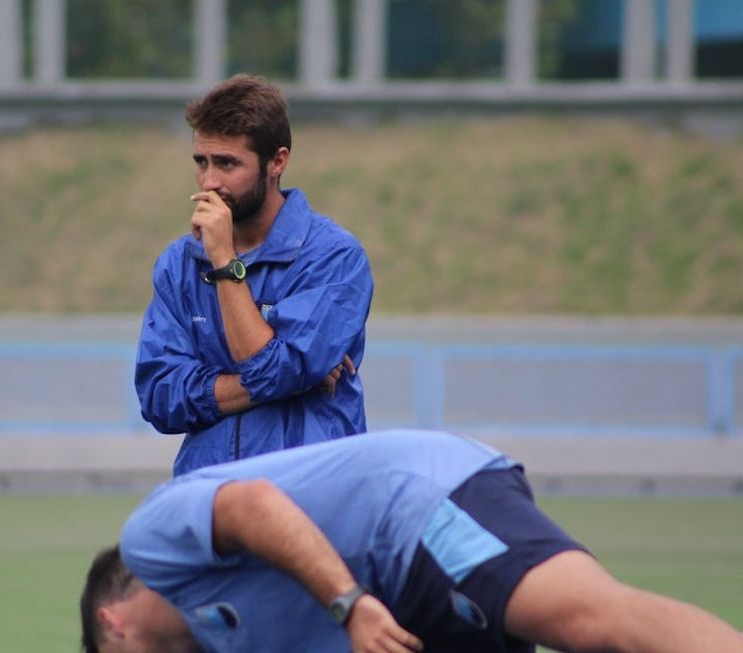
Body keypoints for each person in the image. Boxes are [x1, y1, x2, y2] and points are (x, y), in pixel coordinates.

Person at [81, 430, 743, 653]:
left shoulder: (150, 540)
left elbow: (255, 504)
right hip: (406, 602)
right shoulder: (237, 638)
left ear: (113, 626)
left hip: (419, 508)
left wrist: (350, 604)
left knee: (592, 621)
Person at [134, 74, 374, 476]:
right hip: (211, 500)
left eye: (228, 163)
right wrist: (299, 378)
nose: (209, 182)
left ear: (277, 161)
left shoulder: (334, 257)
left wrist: (226, 263)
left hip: (310, 497)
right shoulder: (179, 264)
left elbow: (271, 369)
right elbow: (160, 396)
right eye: (201, 162)